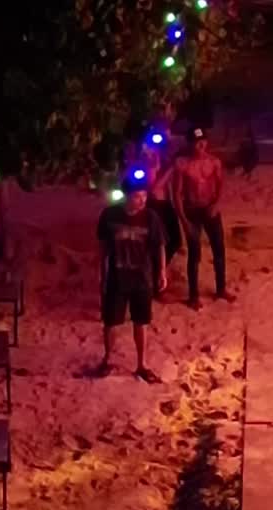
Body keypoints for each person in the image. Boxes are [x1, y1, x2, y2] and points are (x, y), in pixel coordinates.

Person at [97, 172, 167, 383]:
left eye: (144, 196)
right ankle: (107, 360)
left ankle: (142, 364)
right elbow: (102, 249)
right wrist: (101, 274)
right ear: (126, 196)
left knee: (141, 321)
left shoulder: (151, 218)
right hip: (117, 278)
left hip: (142, 278)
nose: (142, 200)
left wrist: (162, 272)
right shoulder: (110, 216)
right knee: (111, 322)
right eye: (137, 196)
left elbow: (159, 245)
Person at [173, 126, 233, 309]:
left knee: (219, 251)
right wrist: (184, 220)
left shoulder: (214, 162)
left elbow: (221, 185)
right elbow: (176, 194)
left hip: (210, 209)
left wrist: (216, 205)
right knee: (194, 254)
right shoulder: (183, 164)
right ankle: (193, 296)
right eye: (197, 141)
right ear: (191, 143)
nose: (201, 144)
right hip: (192, 211)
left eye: (203, 141)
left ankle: (221, 289)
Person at [138, 137, 181, 289]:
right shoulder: (145, 162)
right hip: (154, 206)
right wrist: (169, 168)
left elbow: (167, 188)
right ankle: (155, 278)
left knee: (175, 241)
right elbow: (154, 187)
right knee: (157, 244)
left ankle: (158, 273)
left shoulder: (162, 158)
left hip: (165, 206)